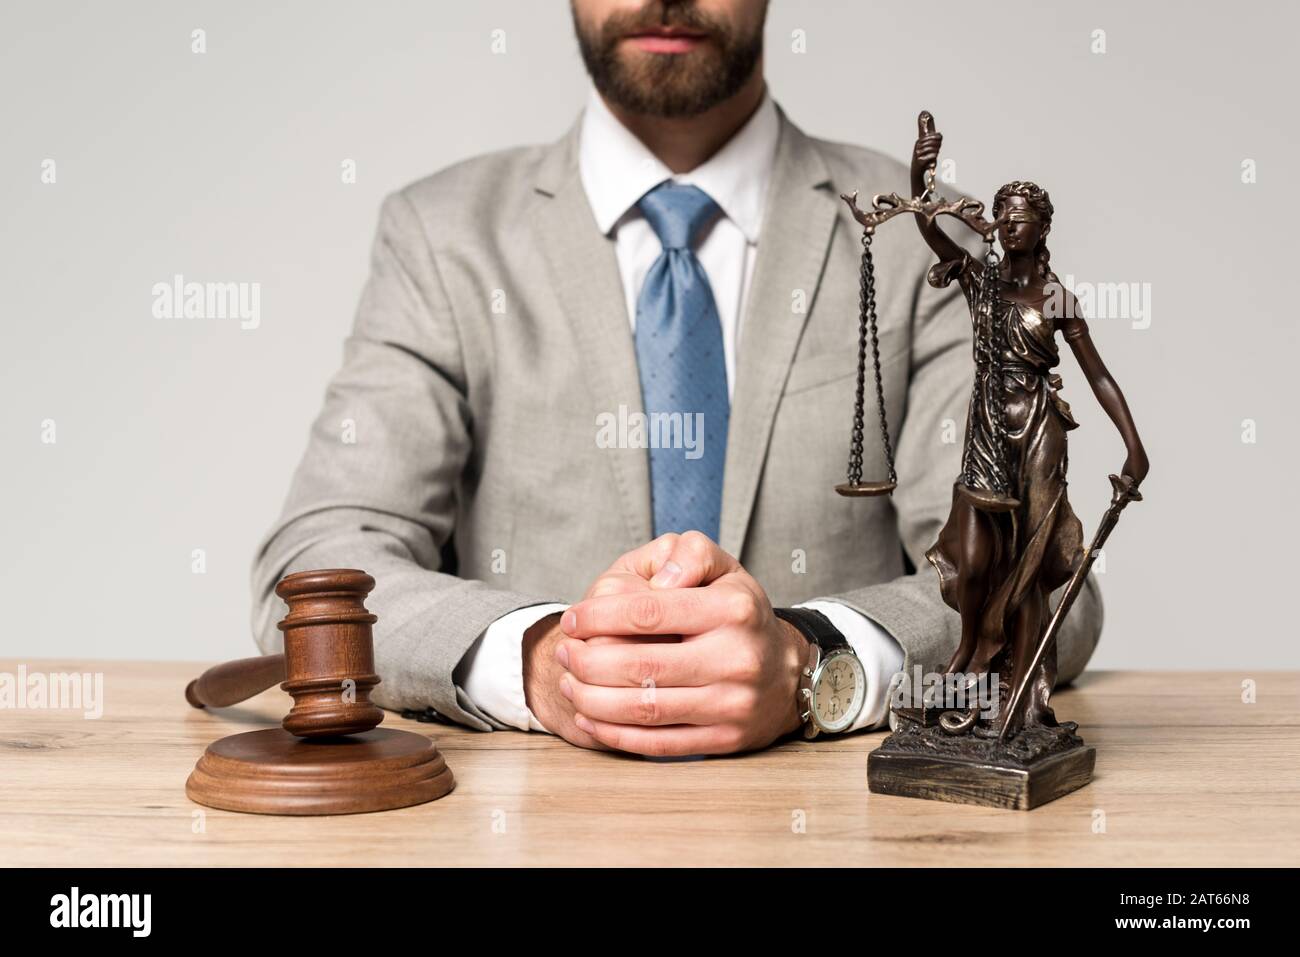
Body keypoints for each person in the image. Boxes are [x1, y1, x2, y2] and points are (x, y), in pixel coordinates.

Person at [251, 0, 1103, 756]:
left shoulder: (914, 238)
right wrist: (542, 659)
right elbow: (318, 564)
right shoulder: (442, 237)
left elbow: (1046, 588)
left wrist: (815, 663)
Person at [908, 123, 1147, 734]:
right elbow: (927, 224)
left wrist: (1133, 445)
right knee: (975, 553)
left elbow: (1098, 376)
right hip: (986, 430)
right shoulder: (979, 278)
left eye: (1023, 218)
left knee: (1030, 555)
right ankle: (969, 654)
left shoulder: (1057, 297)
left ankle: (1023, 687)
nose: (1011, 225)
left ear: (1042, 228)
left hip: (1039, 430)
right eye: (1004, 216)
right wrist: (921, 175)